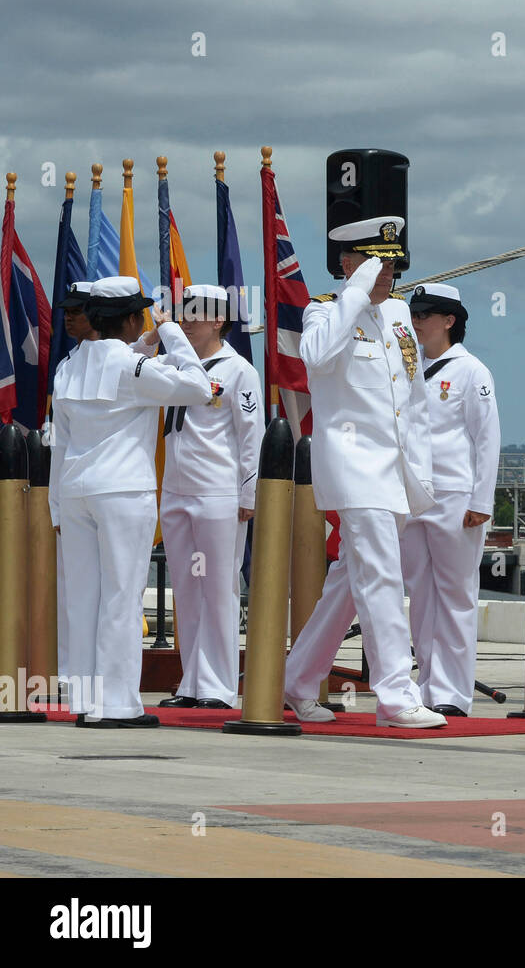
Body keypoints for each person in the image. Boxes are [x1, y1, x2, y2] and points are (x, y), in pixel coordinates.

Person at [281, 216, 444, 729]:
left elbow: (412, 399)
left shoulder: (398, 316)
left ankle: (298, 679)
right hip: (354, 468)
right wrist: (353, 292)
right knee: (380, 575)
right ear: (349, 265)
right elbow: (314, 358)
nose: (386, 276)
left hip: (393, 470)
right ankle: (396, 695)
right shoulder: (324, 313)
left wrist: (421, 471)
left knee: (349, 584)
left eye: (391, 265)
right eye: (375, 264)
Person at [48, 277, 213, 727]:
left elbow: (59, 444)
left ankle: (82, 700)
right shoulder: (133, 369)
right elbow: (198, 387)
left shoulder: (69, 366)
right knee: (120, 598)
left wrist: (57, 508)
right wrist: (173, 334)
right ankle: (117, 705)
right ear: (130, 318)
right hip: (122, 492)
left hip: (75, 489)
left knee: (81, 599)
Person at [130, 285, 263, 710]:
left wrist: (249, 493)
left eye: (195, 315)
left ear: (218, 320)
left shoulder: (239, 369)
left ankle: (219, 687)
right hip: (176, 490)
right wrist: (154, 335)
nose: (185, 321)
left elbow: (251, 436)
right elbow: (127, 359)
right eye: (182, 313)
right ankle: (191, 681)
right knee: (187, 589)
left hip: (218, 492)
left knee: (218, 589)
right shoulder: (171, 363)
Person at [399, 283, 500, 717]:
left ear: (448, 321)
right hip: (412, 494)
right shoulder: (404, 366)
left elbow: (487, 438)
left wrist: (482, 500)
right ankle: (428, 688)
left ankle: (453, 692)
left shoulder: (470, 370)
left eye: (424, 314)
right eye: (414, 313)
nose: (416, 321)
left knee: (456, 595)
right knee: (420, 595)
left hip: (455, 493)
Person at [49, 280, 98, 685]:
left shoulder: (124, 359)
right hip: (74, 491)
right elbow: (60, 444)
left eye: (77, 311)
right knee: (74, 589)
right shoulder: (66, 365)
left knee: (114, 591)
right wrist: (56, 504)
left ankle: (104, 676)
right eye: (66, 311)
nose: (68, 317)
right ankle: (71, 673)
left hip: (114, 490)